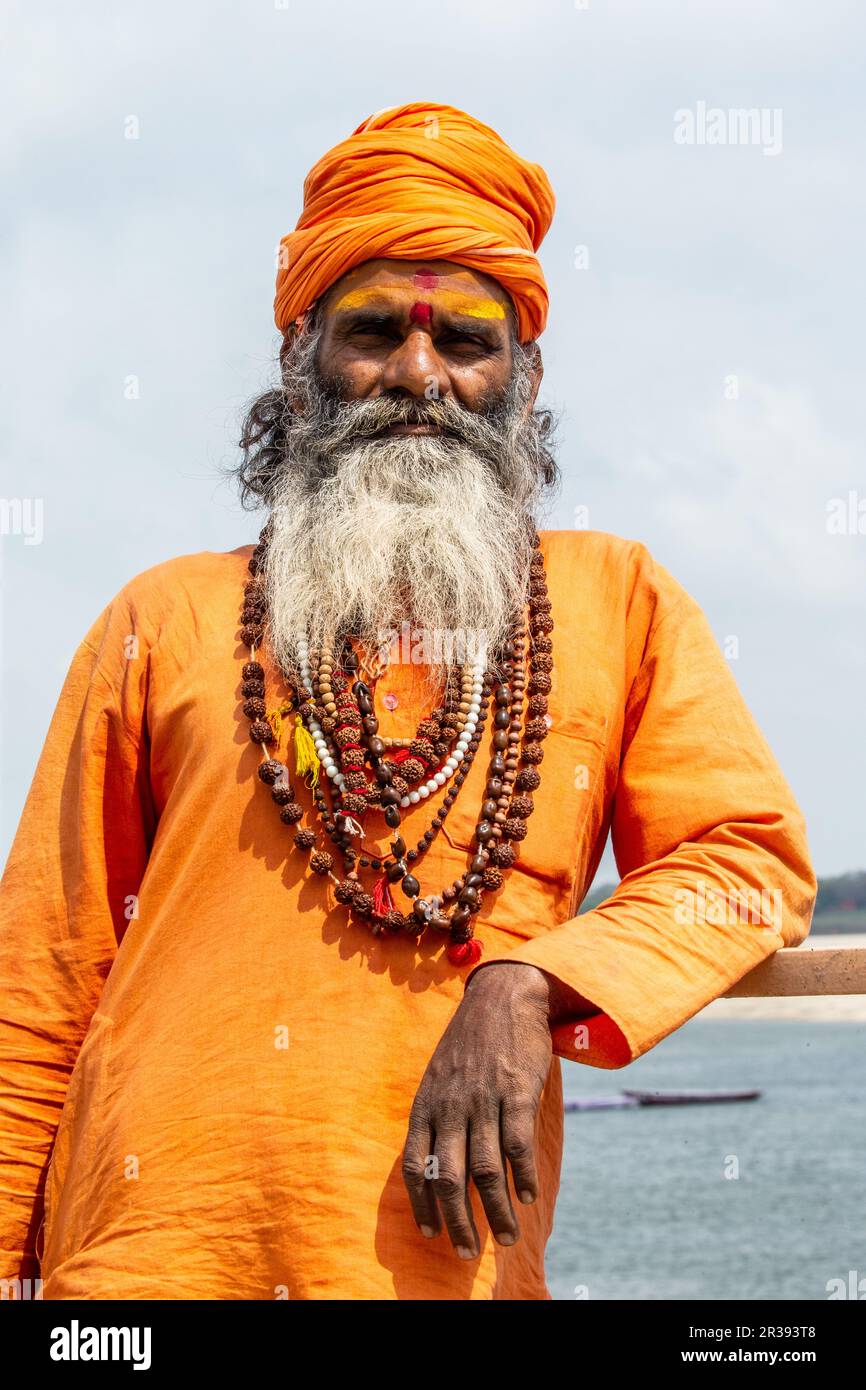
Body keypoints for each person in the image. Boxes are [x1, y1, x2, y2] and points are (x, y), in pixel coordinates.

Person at [0, 102, 816, 1301]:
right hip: (134, 1279)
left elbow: (744, 864)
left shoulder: (617, 601)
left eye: (464, 341)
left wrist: (530, 985)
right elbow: (42, 976)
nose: (417, 374)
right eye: (372, 330)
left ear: (520, 378)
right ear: (300, 358)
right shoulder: (161, 618)